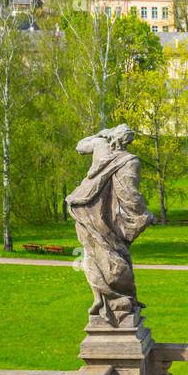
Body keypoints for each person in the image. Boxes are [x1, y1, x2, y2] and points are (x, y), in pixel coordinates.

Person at [67, 124, 154, 325]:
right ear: (128, 142)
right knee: (114, 255)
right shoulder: (129, 161)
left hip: (83, 207)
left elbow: (80, 146)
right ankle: (119, 299)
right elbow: (130, 195)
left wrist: (100, 134)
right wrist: (145, 216)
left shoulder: (100, 145)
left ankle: (101, 297)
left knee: (93, 254)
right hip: (101, 216)